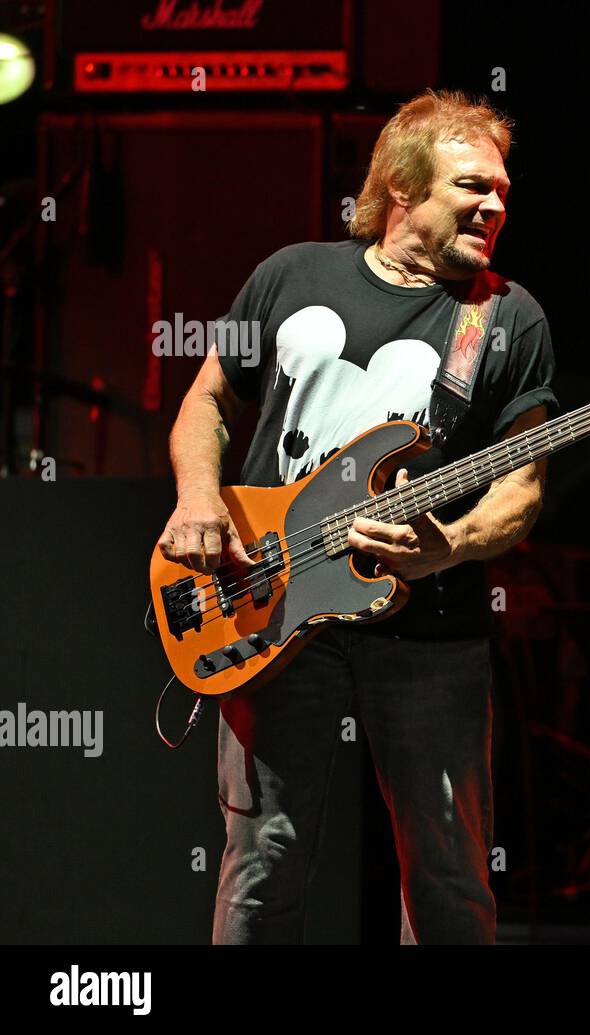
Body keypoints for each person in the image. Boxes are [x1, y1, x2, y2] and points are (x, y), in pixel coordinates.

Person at [156, 89, 557, 944]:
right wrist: (197, 499)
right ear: (403, 187)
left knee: (449, 881)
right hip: (264, 608)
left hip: (431, 634)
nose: (496, 204)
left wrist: (448, 546)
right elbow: (208, 404)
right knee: (263, 863)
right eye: (472, 185)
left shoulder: (508, 318)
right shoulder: (291, 274)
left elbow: (522, 488)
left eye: (503, 190)